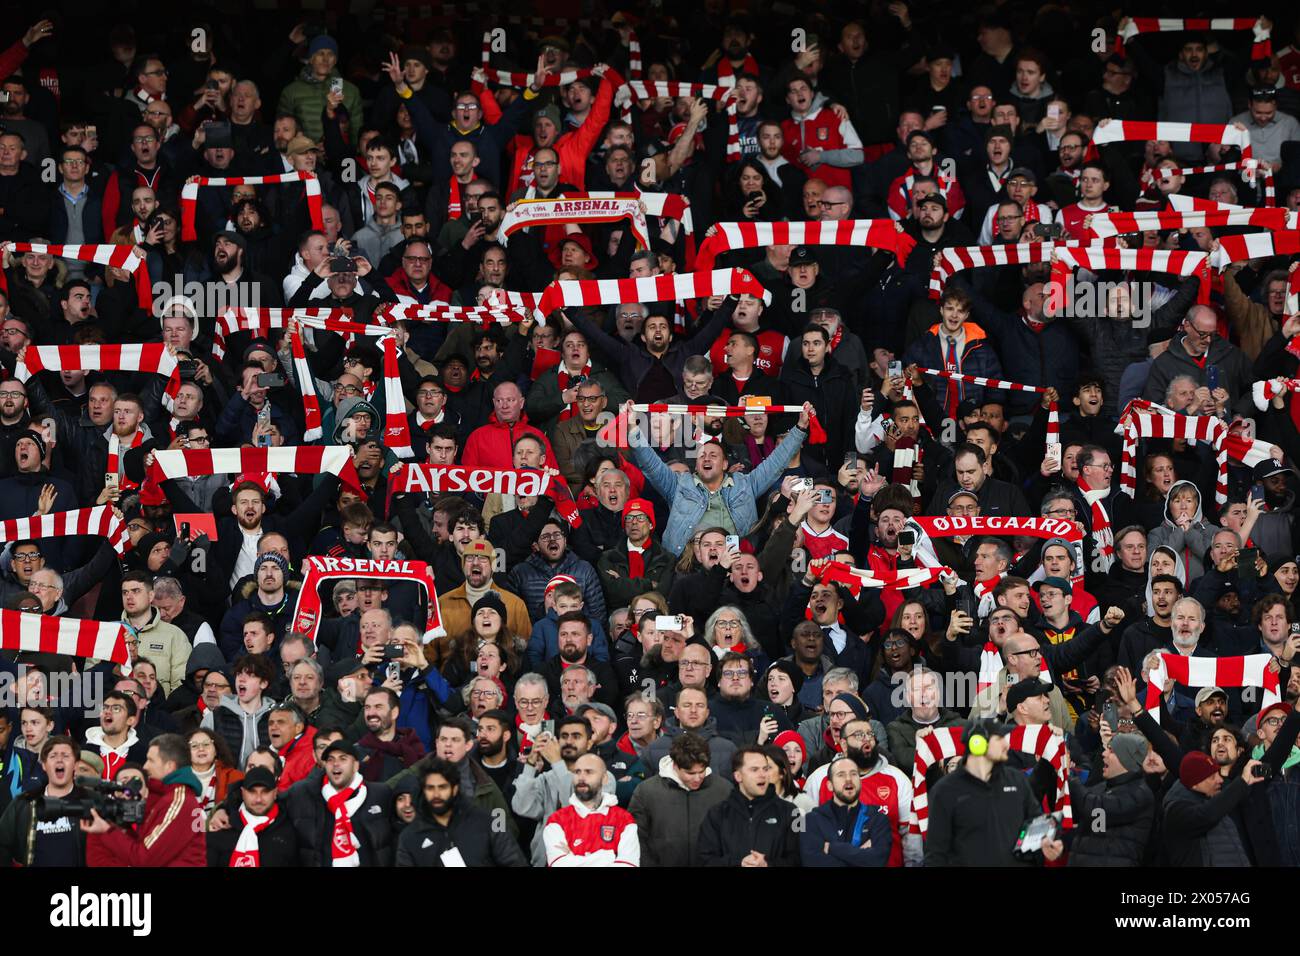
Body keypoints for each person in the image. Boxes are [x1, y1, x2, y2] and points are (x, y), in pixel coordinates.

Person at [924, 720, 1062, 867]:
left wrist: (1045, 844)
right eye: (999, 738)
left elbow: (1036, 824)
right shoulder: (945, 791)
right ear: (978, 744)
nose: (1006, 744)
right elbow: (936, 854)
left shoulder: (1017, 780)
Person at [79, 733, 207, 866]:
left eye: (151, 760)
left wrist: (108, 831)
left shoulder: (180, 801)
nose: (145, 766)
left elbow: (144, 859)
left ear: (169, 766)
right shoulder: (166, 798)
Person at [396, 757, 527, 867]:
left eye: (442, 787)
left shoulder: (487, 823)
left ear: (454, 789)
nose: (436, 794)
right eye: (430, 788)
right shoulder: (410, 837)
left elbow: (514, 862)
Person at [627, 731, 733, 866]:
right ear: (675, 765)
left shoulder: (724, 790)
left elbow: (734, 836)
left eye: (702, 771)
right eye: (690, 773)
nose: (697, 778)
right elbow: (637, 838)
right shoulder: (646, 792)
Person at [285, 739, 395, 867]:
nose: (336, 764)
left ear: (355, 765)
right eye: (330, 759)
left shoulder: (380, 794)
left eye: (343, 759)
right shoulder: (304, 794)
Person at [694, 745, 801, 866]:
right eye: (754, 769)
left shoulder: (792, 811)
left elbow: (799, 859)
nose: (762, 774)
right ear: (738, 776)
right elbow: (704, 860)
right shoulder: (716, 814)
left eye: (765, 769)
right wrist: (739, 864)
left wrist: (767, 864)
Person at [542, 752, 639, 866]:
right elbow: (558, 864)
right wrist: (607, 857)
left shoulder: (624, 819)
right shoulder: (557, 820)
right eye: (577, 772)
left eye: (589, 772)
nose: (581, 778)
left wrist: (573, 858)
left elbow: (629, 864)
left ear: (604, 779)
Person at [800, 754, 892, 867]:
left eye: (853, 774)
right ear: (830, 785)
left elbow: (877, 861)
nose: (848, 779)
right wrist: (861, 855)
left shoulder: (878, 820)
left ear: (860, 781)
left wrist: (832, 848)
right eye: (841, 775)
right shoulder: (811, 820)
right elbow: (812, 862)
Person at [205, 766, 299, 868]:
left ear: (275, 793)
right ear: (242, 793)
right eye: (252, 792)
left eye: (265, 791)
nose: (258, 799)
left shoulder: (290, 830)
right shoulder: (222, 825)